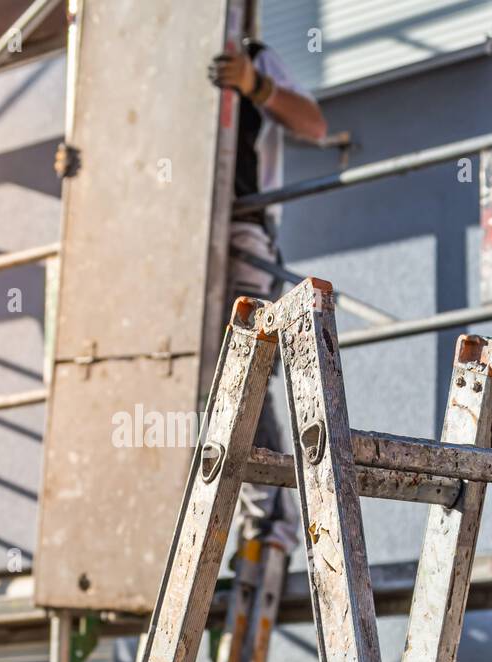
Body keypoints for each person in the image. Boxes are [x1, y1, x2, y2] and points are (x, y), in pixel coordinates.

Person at [209, 22, 327, 555]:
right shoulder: (158, 64)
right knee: (189, 376)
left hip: (239, 232)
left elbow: (314, 123)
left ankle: (271, 516)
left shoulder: (251, 55)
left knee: (240, 367)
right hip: (171, 242)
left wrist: (255, 84)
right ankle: (225, 514)